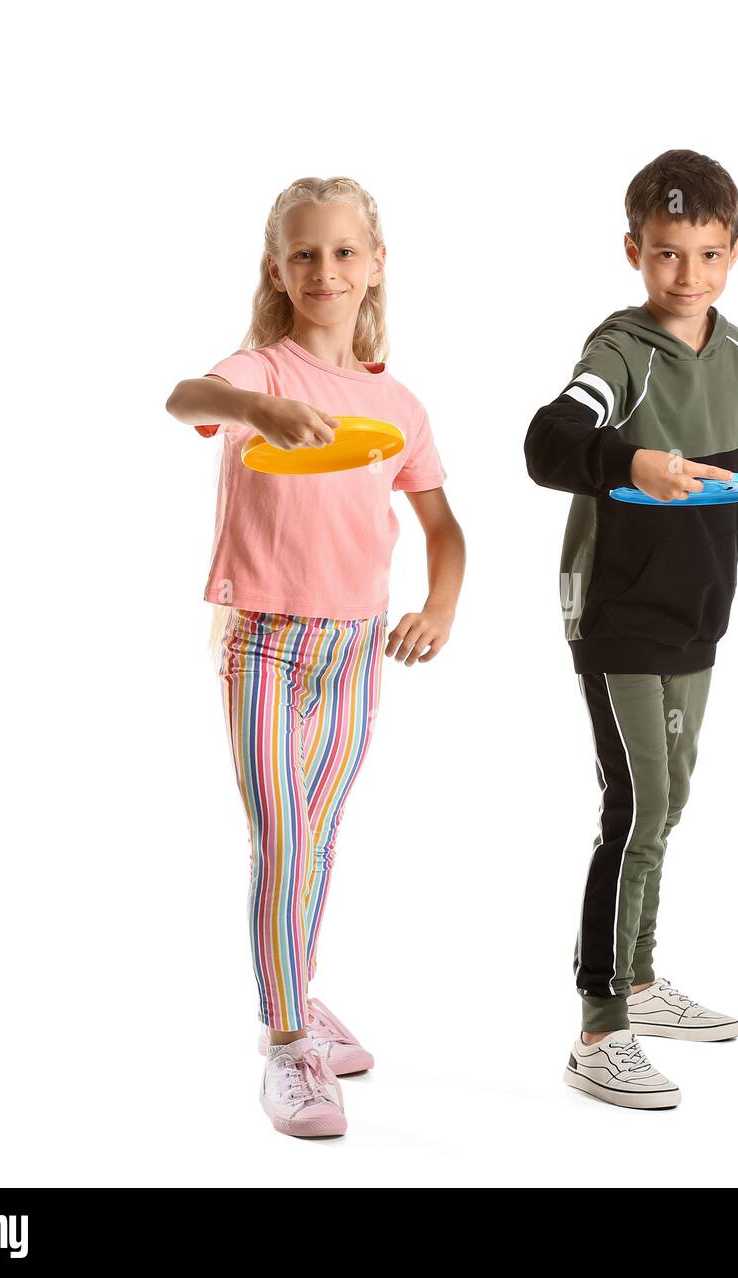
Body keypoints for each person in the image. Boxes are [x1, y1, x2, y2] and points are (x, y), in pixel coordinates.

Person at [524, 149, 738, 1109]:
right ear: (634, 251)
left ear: (734, 254)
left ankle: (638, 978)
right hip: (614, 613)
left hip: (697, 616)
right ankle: (599, 1027)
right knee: (632, 809)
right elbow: (548, 442)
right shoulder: (621, 356)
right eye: (668, 254)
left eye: (709, 255)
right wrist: (632, 460)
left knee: (668, 803)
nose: (689, 276)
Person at [165, 176, 465, 1137]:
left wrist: (441, 606)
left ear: (375, 266)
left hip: (355, 647)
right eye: (304, 254)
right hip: (265, 639)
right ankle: (290, 1040)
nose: (324, 270)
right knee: (284, 837)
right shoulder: (262, 370)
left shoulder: (400, 404)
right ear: (277, 268)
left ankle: (297, 989)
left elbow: (442, 525)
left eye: (343, 252)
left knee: (319, 836)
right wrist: (256, 411)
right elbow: (184, 397)